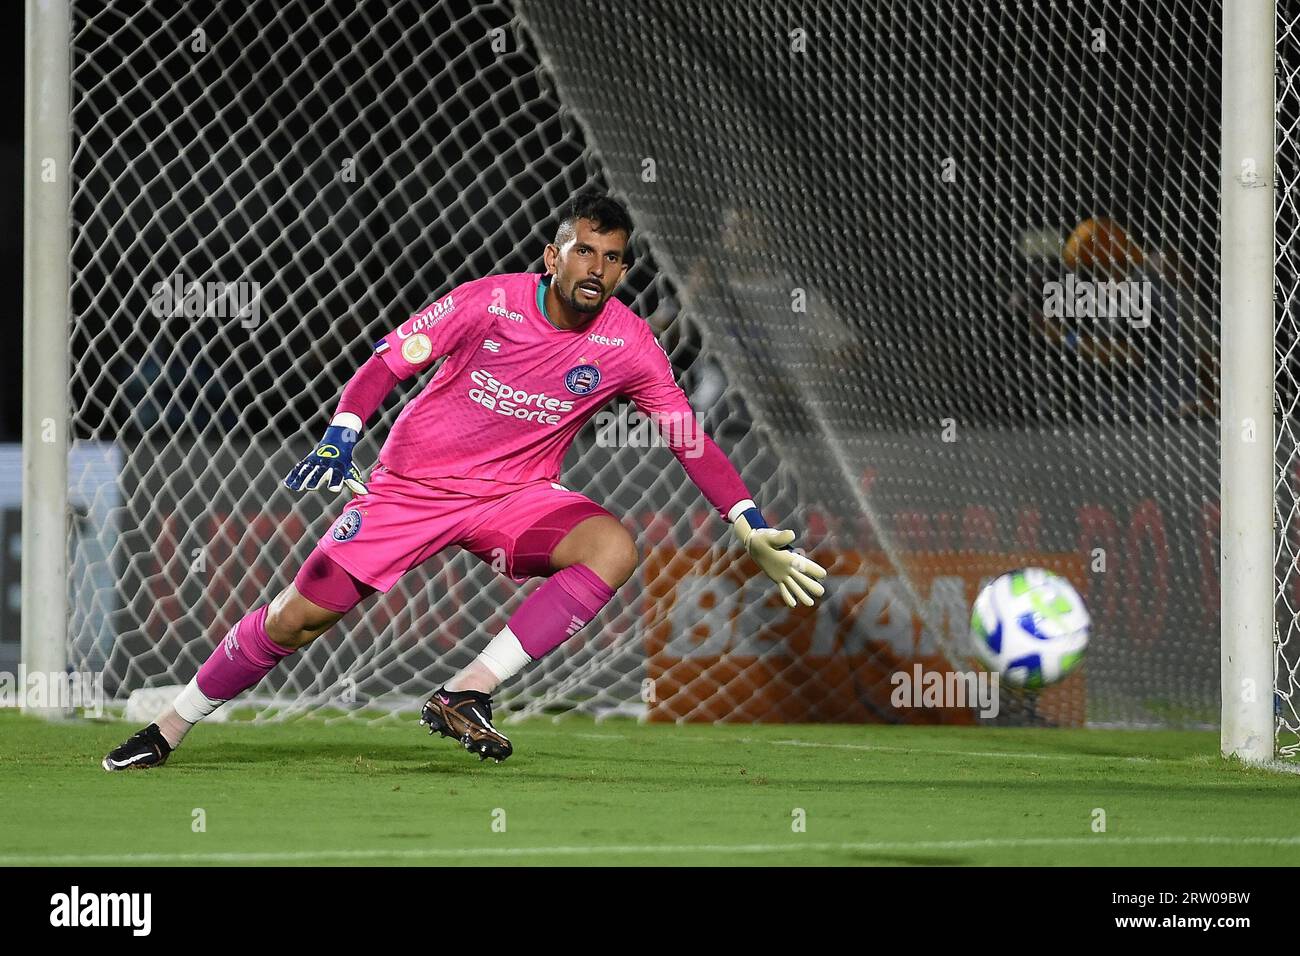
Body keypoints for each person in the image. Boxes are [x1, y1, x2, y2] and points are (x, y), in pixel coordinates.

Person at [101, 189, 826, 769]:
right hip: (410, 489)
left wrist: (749, 524)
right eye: (583, 252)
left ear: (623, 271)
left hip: (512, 499)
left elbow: (688, 439)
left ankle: (465, 693)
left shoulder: (629, 345)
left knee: (612, 546)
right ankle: (168, 729)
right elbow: (389, 361)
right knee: (300, 618)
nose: (595, 269)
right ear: (553, 255)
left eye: (610, 258)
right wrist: (341, 433)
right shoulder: (489, 301)